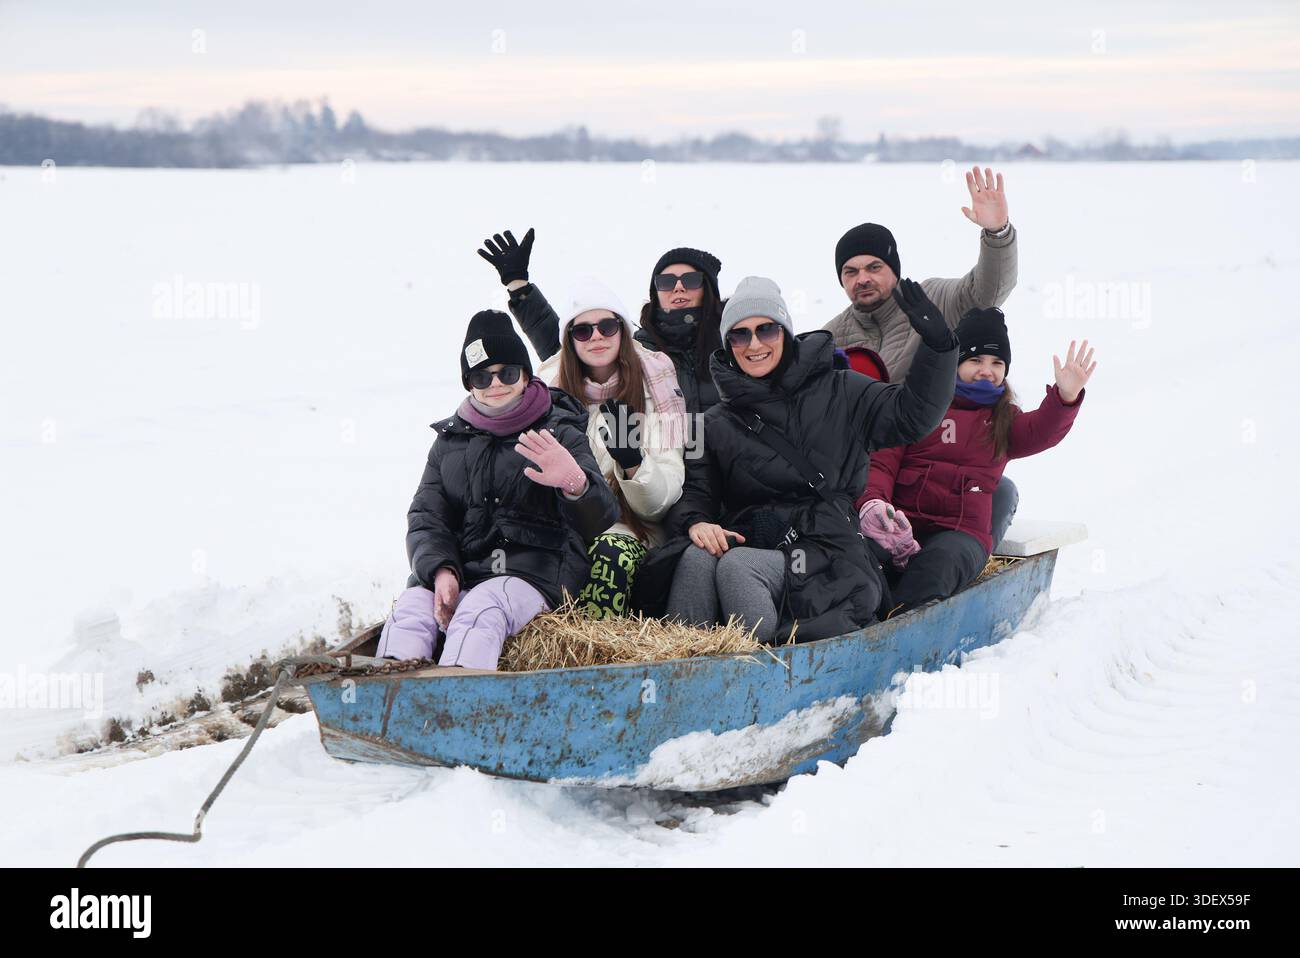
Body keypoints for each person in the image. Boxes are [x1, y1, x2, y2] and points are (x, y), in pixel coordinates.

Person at [642, 274, 959, 644]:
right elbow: (697, 492)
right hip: (758, 538)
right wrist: (696, 522)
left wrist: (938, 347)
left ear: (786, 333)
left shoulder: (842, 389)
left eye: (767, 330)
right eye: (740, 335)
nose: (754, 344)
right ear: (727, 344)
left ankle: (764, 672)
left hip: (824, 549)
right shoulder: (713, 423)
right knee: (697, 557)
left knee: (737, 566)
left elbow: (912, 416)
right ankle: (685, 673)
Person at [376, 309, 618, 667]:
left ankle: (457, 705)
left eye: (507, 372)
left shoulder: (559, 430)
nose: (495, 385)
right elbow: (427, 516)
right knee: (411, 608)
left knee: (480, 609)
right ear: (468, 383)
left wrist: (575, 482)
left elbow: (601, 519)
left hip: (537, 572)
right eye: (481, 377)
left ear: (525, 375)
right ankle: (384, 706)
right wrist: (441, 570)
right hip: (465, 570)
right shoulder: (450, 443)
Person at [824, 166, 1021, 547]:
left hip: (933, 462)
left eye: (874, 267)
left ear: (894, 270)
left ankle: (962, 563)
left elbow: (988, 290)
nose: (862, 278)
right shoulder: (832, 335)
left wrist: (997, 234)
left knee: (1001, 492)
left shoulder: (931, 301)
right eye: (850, 272)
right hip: (864, 471)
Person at [858, 308, 1094, 613]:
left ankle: (904, 628)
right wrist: (875, 503)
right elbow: (882, 463)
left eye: (997, 363)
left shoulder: (1004, 420)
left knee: (937, 567)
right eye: (976, 360)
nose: (987, 370)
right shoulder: (919, 407)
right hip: (903, 524)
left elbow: (1042, 431)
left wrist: (1065, 397)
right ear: (954, 363)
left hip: (960, 534)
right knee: (861, 555)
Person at [478, 228, 726, 414]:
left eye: (691, 280)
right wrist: (519, 286)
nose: (678, 288)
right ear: (655, 292)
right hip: (660, 472)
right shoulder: (643, 348)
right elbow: (570, 349)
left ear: (708, 288)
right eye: (667, 282)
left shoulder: (734, 342)